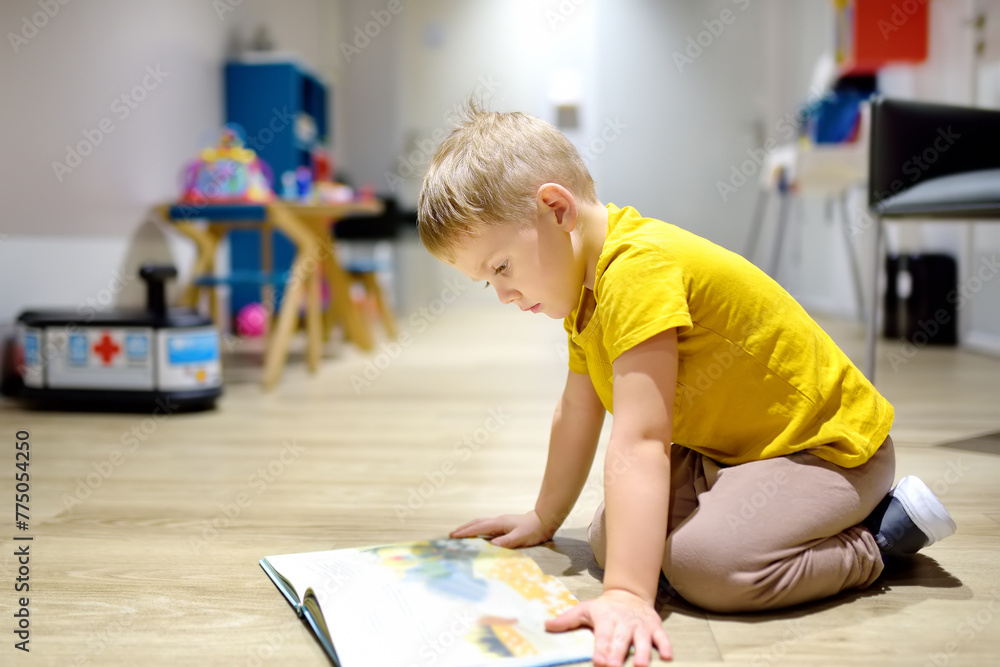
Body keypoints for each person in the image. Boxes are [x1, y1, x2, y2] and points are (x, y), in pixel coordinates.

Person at [415, 102, 957, 667]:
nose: (502, 294)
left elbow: (643, 439)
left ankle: (879, 537)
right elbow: (577, 410)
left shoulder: (635, 271)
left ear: (556, 209)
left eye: (501, 267)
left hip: (829, 451)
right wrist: (544, 517)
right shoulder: (583, 292)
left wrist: (627, 596)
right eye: (486, 283)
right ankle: (760, 528)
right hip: (736, 455)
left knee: (709, 569)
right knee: (609, 537)